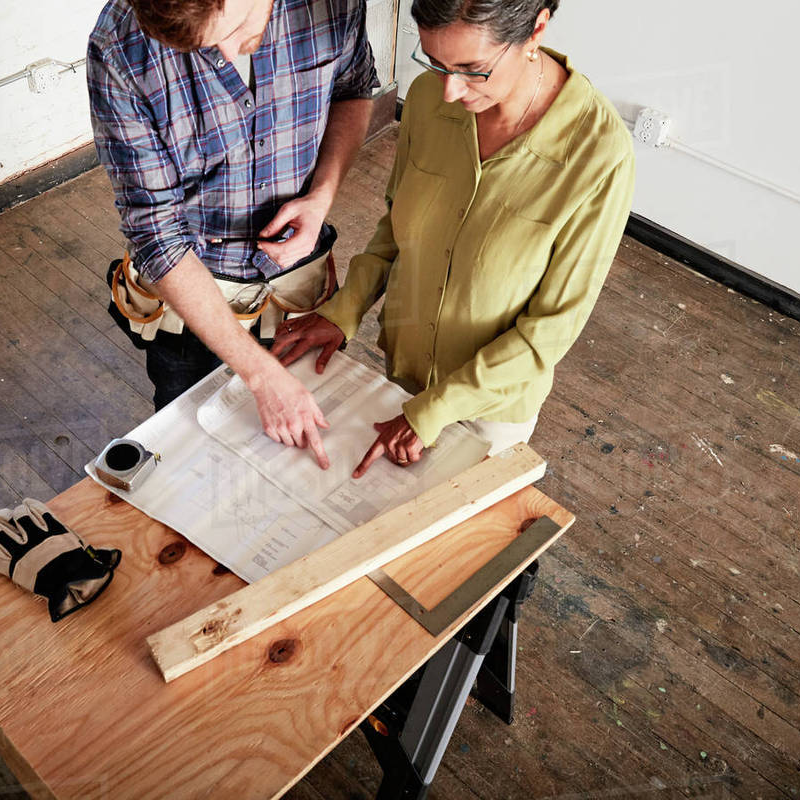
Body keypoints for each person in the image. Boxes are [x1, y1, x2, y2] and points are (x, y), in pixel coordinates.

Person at [271, 0, 635, 476]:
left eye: (472, 70)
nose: (448, 91)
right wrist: (343, 312)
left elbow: (549, 332)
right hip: (400, 372)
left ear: (536, 31)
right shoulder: (427, 99)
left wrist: (435, 411)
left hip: (489, 412)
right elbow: (396, 230)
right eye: (435, 62)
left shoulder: (598, 155)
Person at [86, 0, 379, 469]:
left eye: (235, 27)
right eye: (200, 48)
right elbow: (156, 233)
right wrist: (261, 378)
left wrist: (322, 194)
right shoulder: (121, 45)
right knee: (191, 464)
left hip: (300, 291)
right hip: (192, 309)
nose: (223, 53)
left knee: (309, 467)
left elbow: (352, 89)